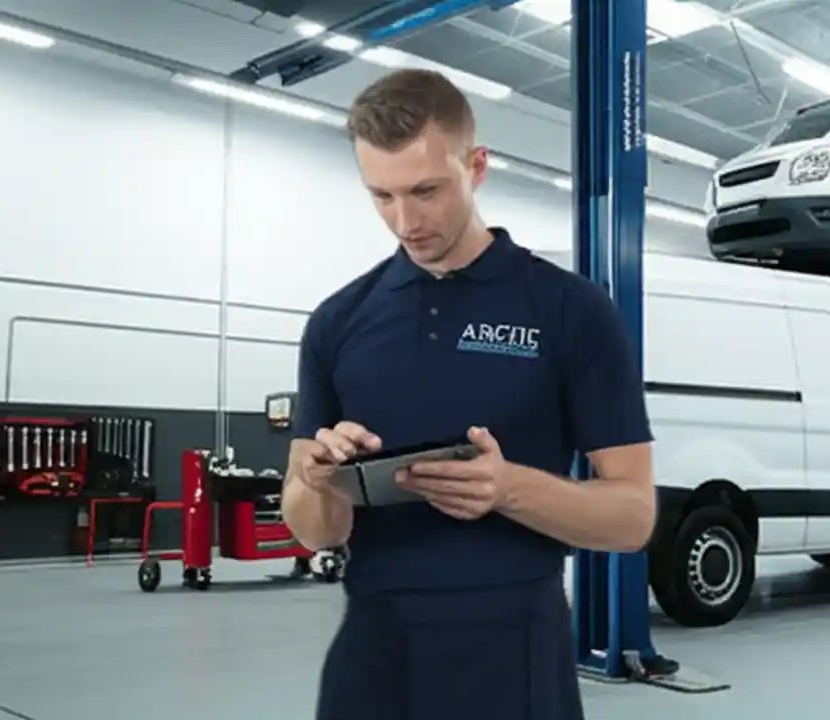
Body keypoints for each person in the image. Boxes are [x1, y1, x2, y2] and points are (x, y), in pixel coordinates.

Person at [281, 67, 658, 720]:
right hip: (375, 651)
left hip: (515, 650)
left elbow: (633, 518)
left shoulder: (570, 310)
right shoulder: (338, 321)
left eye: (427, 190)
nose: (406, 220)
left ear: (477, 166)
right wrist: (319, 483)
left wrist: (507, 488)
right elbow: (315, 534)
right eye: (383, 196)